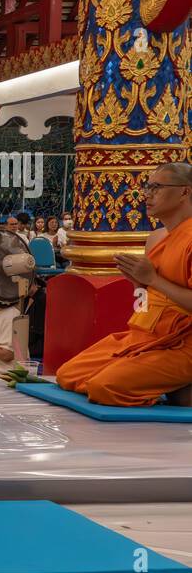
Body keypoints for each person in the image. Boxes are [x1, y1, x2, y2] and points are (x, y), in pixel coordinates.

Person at [56, 162, 192, 406]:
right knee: (68, 374)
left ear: (185, 191)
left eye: (157, 187)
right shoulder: (156, 238)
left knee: (104, 386)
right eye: (147, 187)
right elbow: (143, 306)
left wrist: (153, 280)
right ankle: (169, 384)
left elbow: (160, 286)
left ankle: (170, 384)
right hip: (144, 335)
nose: (147, 194)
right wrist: (138, 284)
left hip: (184, 345)